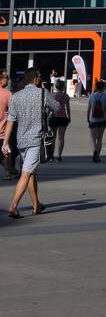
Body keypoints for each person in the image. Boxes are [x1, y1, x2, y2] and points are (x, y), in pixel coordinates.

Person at [1, 69, 50, 218]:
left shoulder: (15, 96)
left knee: (30, 172)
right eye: (40, 76)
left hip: (21, 140)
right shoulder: (43, 93)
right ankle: (13, 206)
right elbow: (57, 107)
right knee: (27, 172)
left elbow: (11, 120)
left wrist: (5, 142)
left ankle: (36, 204)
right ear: (35, 79)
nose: (41, 79)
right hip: (36, 139)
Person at [87, 78, 106, 162]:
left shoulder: (92, 95)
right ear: (103, 87)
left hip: (93, 119)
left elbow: (89, 108)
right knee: (100, 138)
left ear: (96, 87)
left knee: (93, 138)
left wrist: (88, 118)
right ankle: (97, 156)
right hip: (103, 119)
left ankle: (94, 150)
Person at [48, 77, 71, 160]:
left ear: (56, 87)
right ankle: (59, 155)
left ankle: (51, 155)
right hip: (63, 117)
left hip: (54, 117)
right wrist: (69, 117)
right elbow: (67, 107)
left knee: (53, 137)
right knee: (61, 137)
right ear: (63, 87)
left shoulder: (52, 95)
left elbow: (49, 107)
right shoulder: (66, 96)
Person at [0, 71, 15, 180]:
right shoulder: (8, 94)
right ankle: (8, 171)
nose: (8, 80)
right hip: (3, 130)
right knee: (5, 151)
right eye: (6, 77)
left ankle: (9, 170)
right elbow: (13, 112)